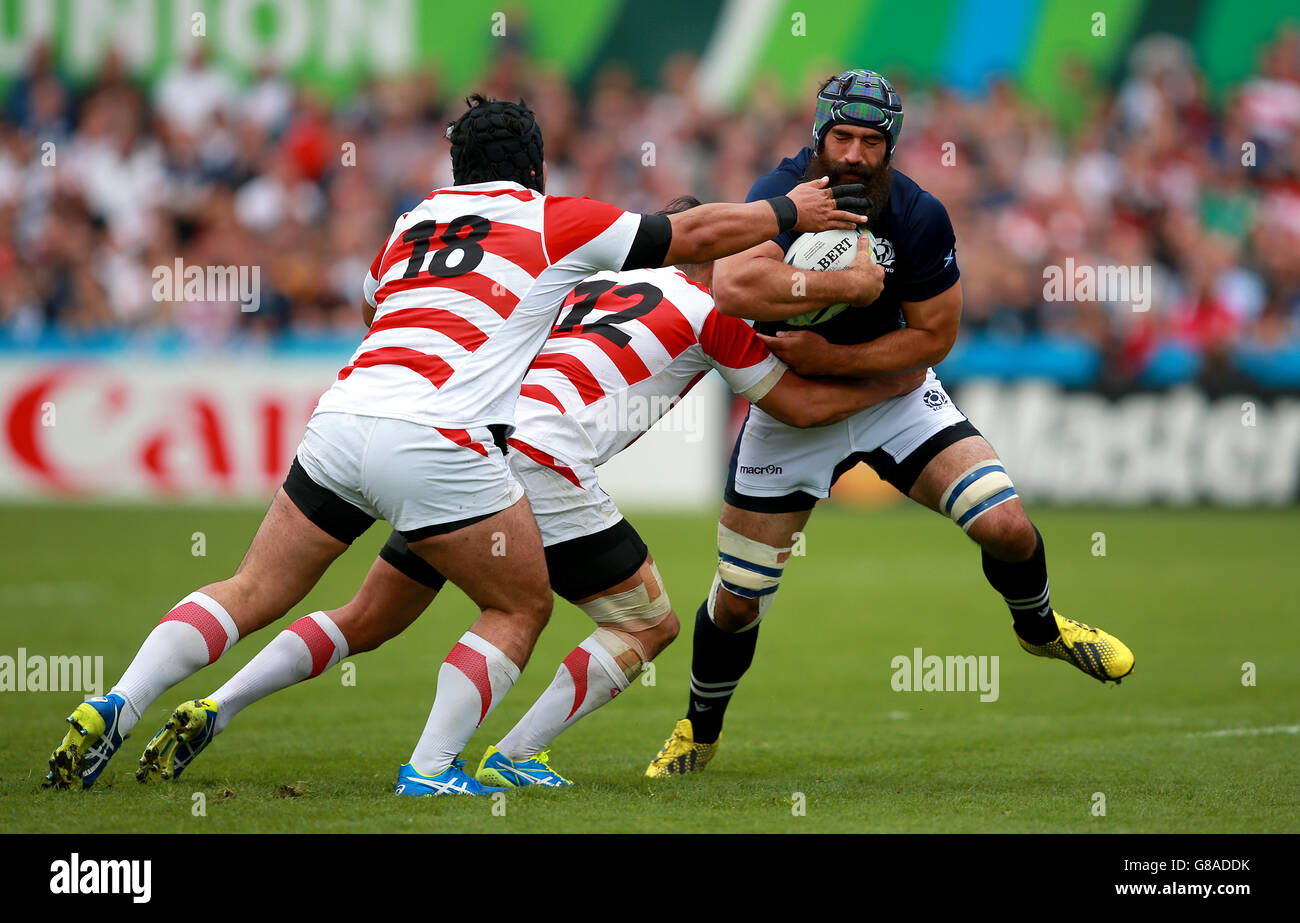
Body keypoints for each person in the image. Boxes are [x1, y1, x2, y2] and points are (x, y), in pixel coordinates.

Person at [44, 95, 874, 795]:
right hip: (450, 446)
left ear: (455, 168)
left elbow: (381, 308)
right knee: (523, 604)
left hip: (344, 418)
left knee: (267, 589)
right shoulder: (561, 223)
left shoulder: (411, 224)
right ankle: (443, 767)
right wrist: (792, 218)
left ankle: (123, 697)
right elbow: (687, 243)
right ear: (539, 167)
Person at [644, 69, 1135, 779]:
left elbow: (935, 337)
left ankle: (1041, 628)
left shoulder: (918, 214)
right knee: (738, 601)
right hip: (791, 411)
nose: (853, 154)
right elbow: (733, 285)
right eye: (841, 137)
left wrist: (834, 354)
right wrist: (843, 286)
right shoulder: (780, 195)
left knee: (1007, 526)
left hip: (892, 392)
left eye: (870, 142)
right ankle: (700, 726)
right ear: (819, 137)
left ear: (890, 146)